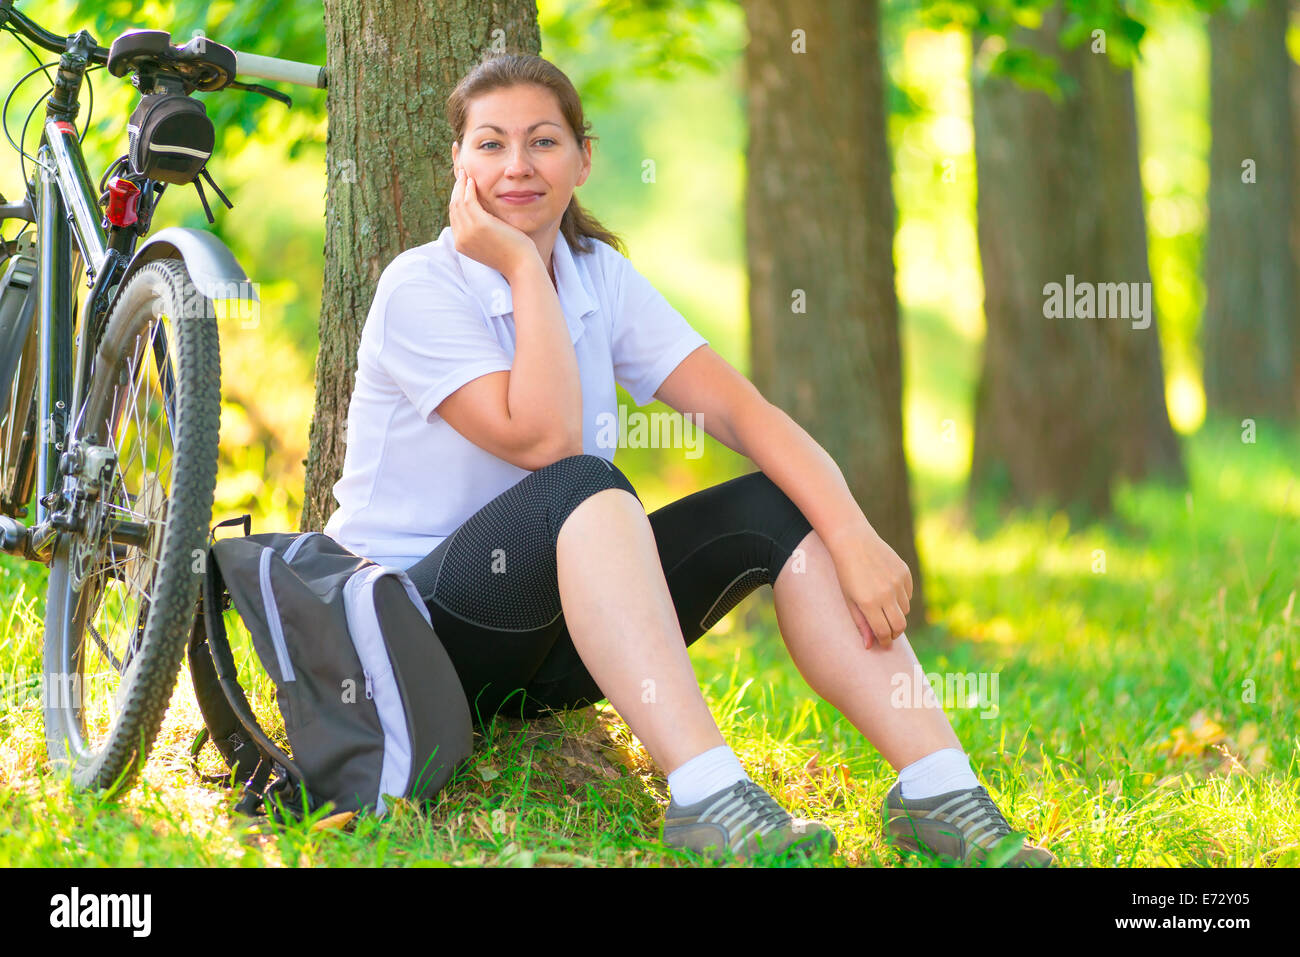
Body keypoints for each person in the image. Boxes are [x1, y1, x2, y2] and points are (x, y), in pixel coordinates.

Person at [322, 53, 1054, 867]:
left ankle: (940, 790)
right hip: (416, 633)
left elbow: (746, 413)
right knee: (584, 484)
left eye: (543, 142)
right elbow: (546, 441)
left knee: (778, 508)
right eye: (490, 145)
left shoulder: (598, 276)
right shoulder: (420, 286)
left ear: (584, 158)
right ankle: (710, 796)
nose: (518, 166)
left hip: (556, 644)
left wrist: (850, 533)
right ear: (458, 165)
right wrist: (522, 266)